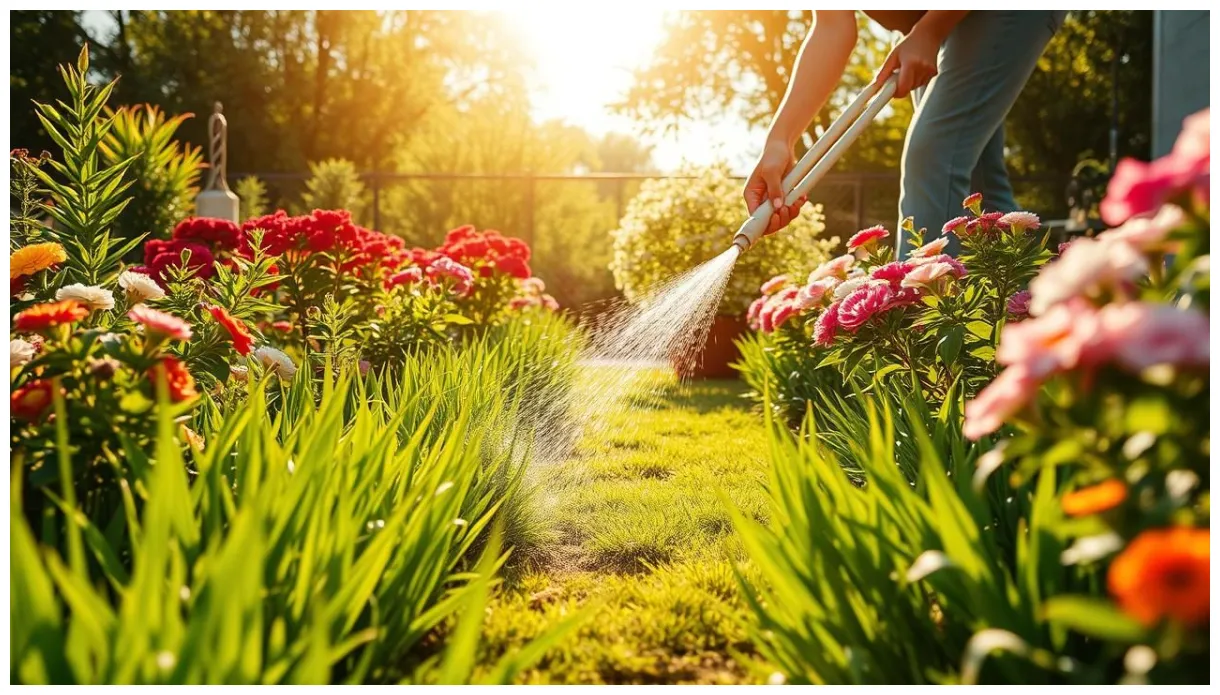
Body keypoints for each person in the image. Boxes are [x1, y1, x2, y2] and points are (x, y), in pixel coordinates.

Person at [744, 10, 1068, 254]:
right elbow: (832, 26)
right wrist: (779, 141)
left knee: (934, 154)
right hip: (930, 23)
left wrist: (930, 30)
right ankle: (1032, 312)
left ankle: (917, 318)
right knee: (977, 189)